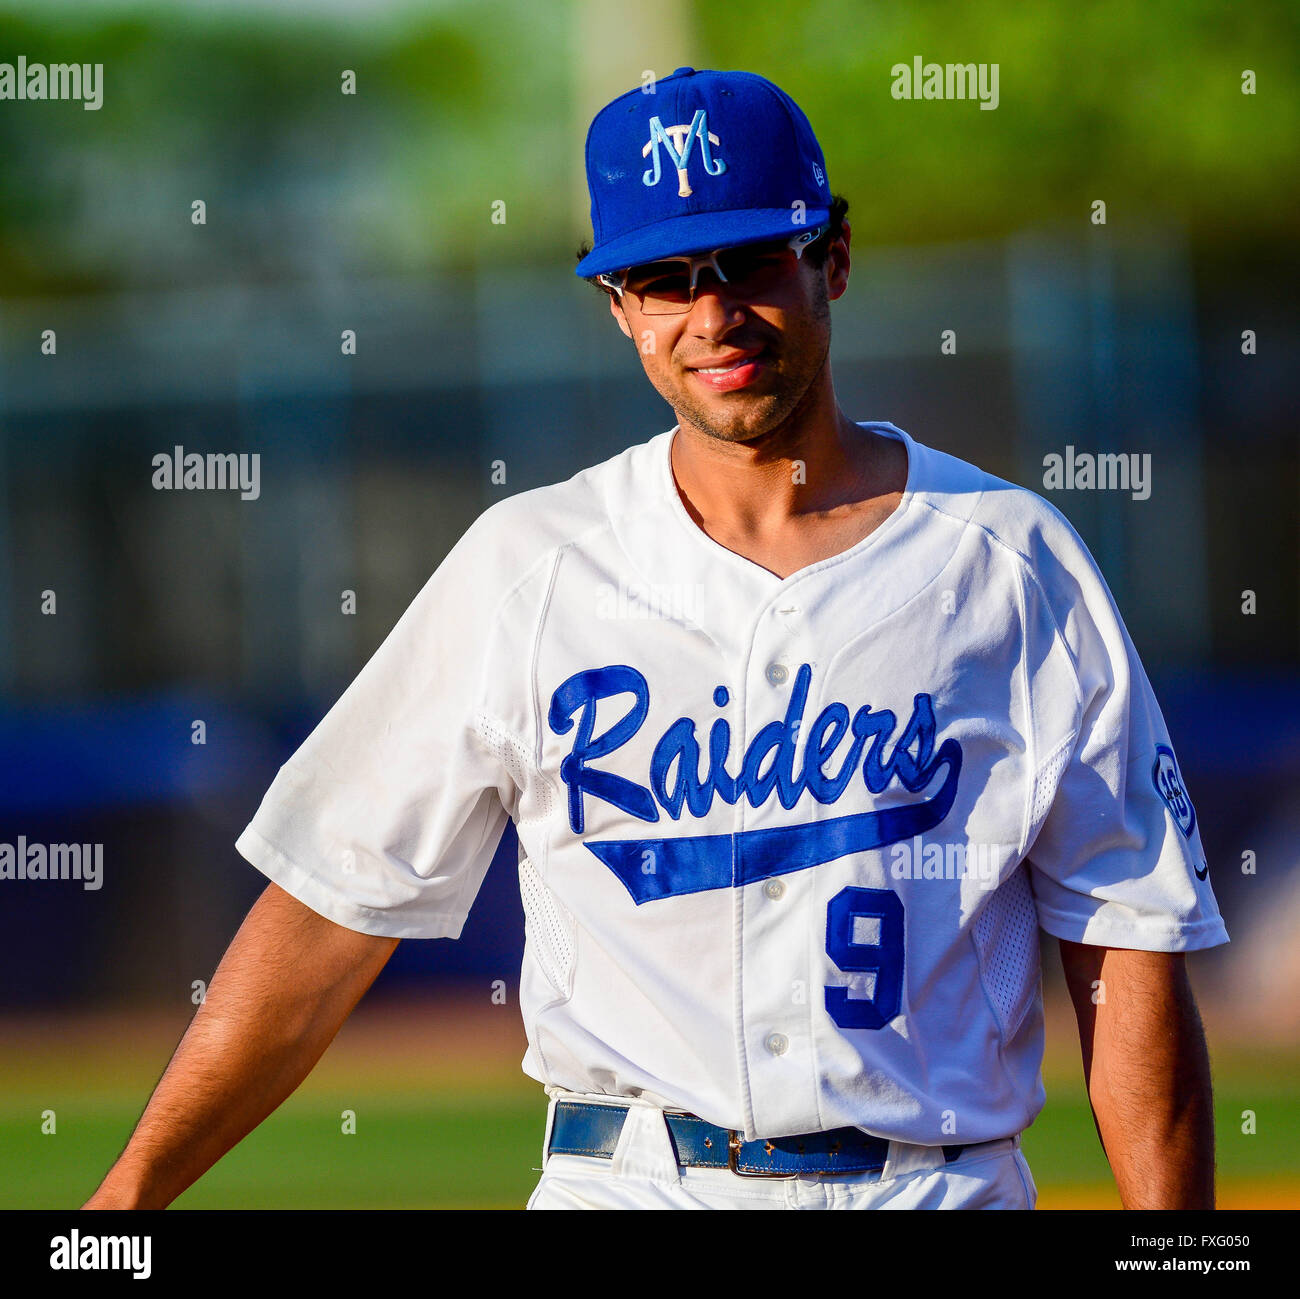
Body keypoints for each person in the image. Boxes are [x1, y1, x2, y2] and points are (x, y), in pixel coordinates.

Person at [84, 66, 1227, 1212]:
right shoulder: (530, 567)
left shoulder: (1008, 562)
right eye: (662, 280)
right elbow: (330, 909)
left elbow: (1124, 941)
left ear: (830, 258)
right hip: (630, 1180)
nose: (713, 315)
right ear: (620, 310)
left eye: (747, 264)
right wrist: (128, 1198)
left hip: (933, 1185)